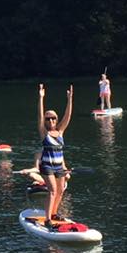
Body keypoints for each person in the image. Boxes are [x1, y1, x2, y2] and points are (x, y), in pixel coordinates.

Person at [38, 83, 74, 228]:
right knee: (52, 190)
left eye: (53, 118)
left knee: (60, 190)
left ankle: (53, 214)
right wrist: (41, 98)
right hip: (47, 166)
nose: (51, 120)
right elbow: (40, 117)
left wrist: (70, 99)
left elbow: (68, 116)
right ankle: (47, 220)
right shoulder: (44, 133)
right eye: (48, 118)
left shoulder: (60, 132)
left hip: (59, 167)